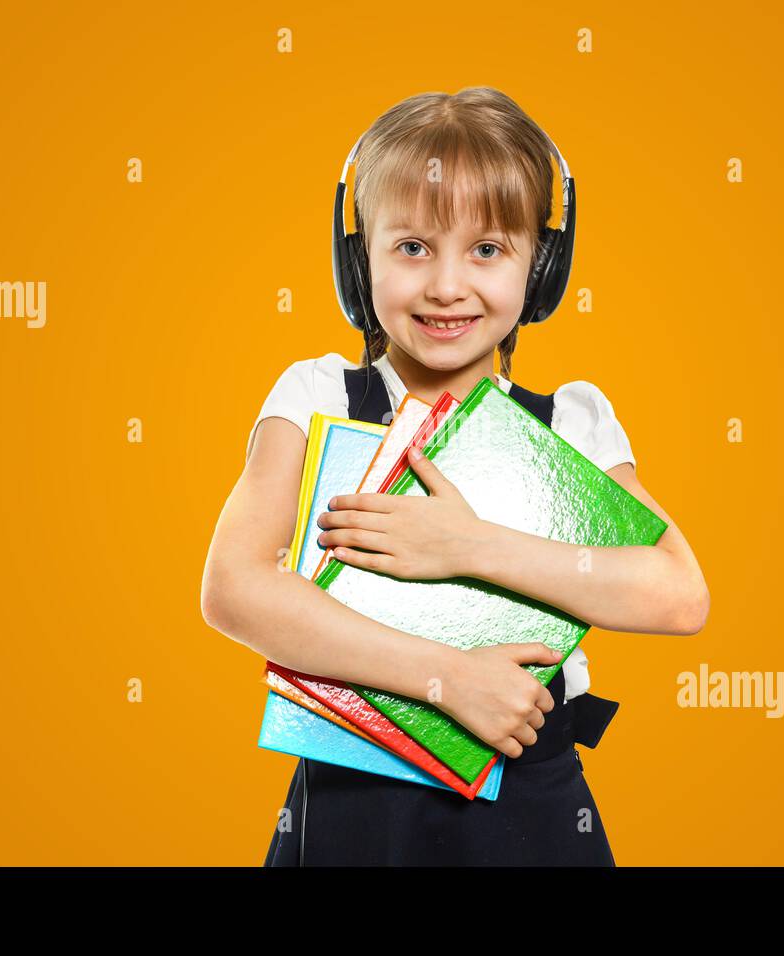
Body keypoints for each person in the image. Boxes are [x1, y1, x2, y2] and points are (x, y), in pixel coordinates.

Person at [200, 86, 709, 865]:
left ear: (540, 269)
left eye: (486, 250)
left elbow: (677, 596)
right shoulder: (319, 397)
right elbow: (234, 588)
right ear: (355, 261)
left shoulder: (566, 423)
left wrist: (467, 545)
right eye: (411, 248)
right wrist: (447, 680)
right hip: (353, 794)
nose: (446, 286)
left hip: (529, 796)